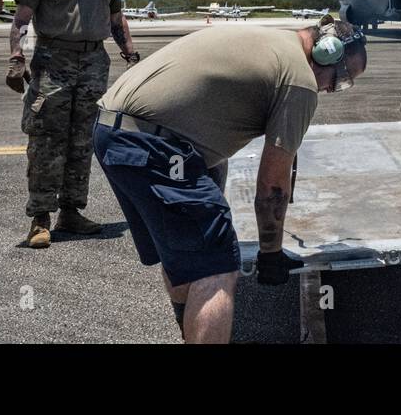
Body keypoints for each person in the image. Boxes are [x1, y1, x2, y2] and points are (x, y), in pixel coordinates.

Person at [94, 17, 367, 343]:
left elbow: (209, 123)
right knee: (216, 264)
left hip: (112, 130)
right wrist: (270, 253)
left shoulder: (271, 44)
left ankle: (192, 331)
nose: (332, 90)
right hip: (155, 146)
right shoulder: (299, 81)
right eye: (341, 79)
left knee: (185, 257)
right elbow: (272, 185)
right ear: (327, 53)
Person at [5, 0, 138, 249]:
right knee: (47, 139)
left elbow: (116, 19)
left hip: (94, 61)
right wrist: (17, 57)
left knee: (83, 139)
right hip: (54, 60)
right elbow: (21, 18)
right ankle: (40, 218)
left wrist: (131, 56)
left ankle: (71, 212)